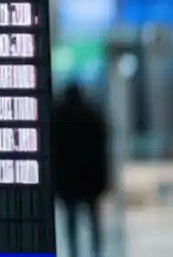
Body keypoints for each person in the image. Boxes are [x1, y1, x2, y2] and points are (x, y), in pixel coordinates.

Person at [52, 82, 109, 257]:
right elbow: (101, 150)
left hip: (68, 180)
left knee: (70, 220)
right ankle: (97, 250)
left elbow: (55, 151)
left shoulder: (58, 117)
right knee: (93, 217)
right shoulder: (92, 116)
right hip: (90, 178)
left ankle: (73, 252)